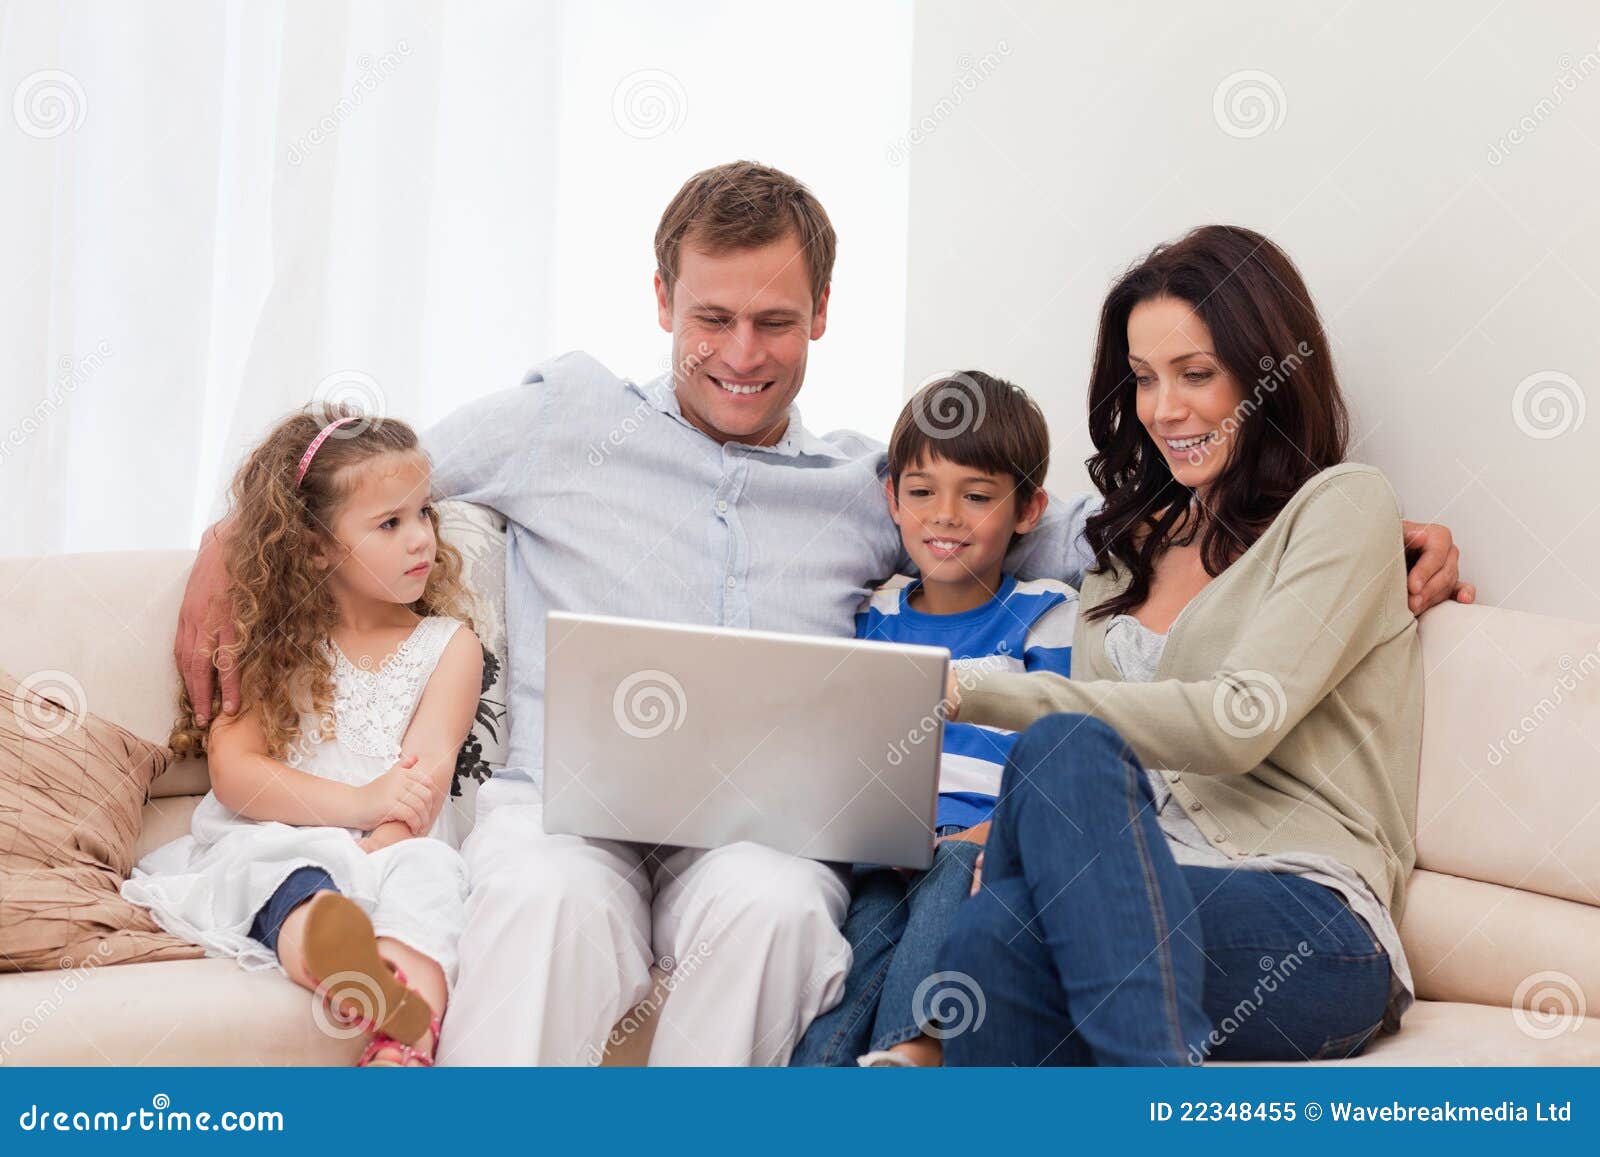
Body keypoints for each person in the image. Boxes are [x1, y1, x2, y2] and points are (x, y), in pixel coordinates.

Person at [172, 162, 1470, 1067]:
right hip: (564, 803)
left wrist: (1357, 524)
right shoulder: (558, 416)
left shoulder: (868, 489)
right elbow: (354, 481)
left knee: (790, 912)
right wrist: (228, 545)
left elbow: (1098, 525)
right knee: (551, 900)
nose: (743, 352)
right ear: (662, 303)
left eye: (775, 321)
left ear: (823, 316)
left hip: (756, 825)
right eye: (713, 318)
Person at [940, 225, 1427, 1065]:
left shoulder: (1344, 508)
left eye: (1196, 374)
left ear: (1269, 370)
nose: (1165, 409)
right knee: (989, 937)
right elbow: (941, 512)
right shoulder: (1120, 553)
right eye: (1143, 379)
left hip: (1306, 918)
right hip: (1130, 894)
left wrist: (965, 687)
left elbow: (1240, 721)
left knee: (1060, 746)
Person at [124, 407, 483, 1067]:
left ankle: (408, 1028)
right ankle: (332, 949)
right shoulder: (271, 636)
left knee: (432, 883)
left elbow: (422, 784)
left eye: (425, 513)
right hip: (276, 829)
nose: (421, 540)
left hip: (397, 842)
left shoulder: (449, 647)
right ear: (317, 545)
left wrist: (375, 848)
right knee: (291, 875)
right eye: (390, 523)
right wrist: (358, 807)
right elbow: (236, 773)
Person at [790, 372, 1076, 1068]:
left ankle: (913, 1049)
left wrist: (990, 831)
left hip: (983, 840)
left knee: (952, 865)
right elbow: (846, 747)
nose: (944, 515)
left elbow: (1061, 745)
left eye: (977, 496)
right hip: (887, 848)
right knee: (867, 928)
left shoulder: (1044, 609)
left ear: (1029, 508)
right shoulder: (875, 615)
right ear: (892, 499)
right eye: (921, 492)